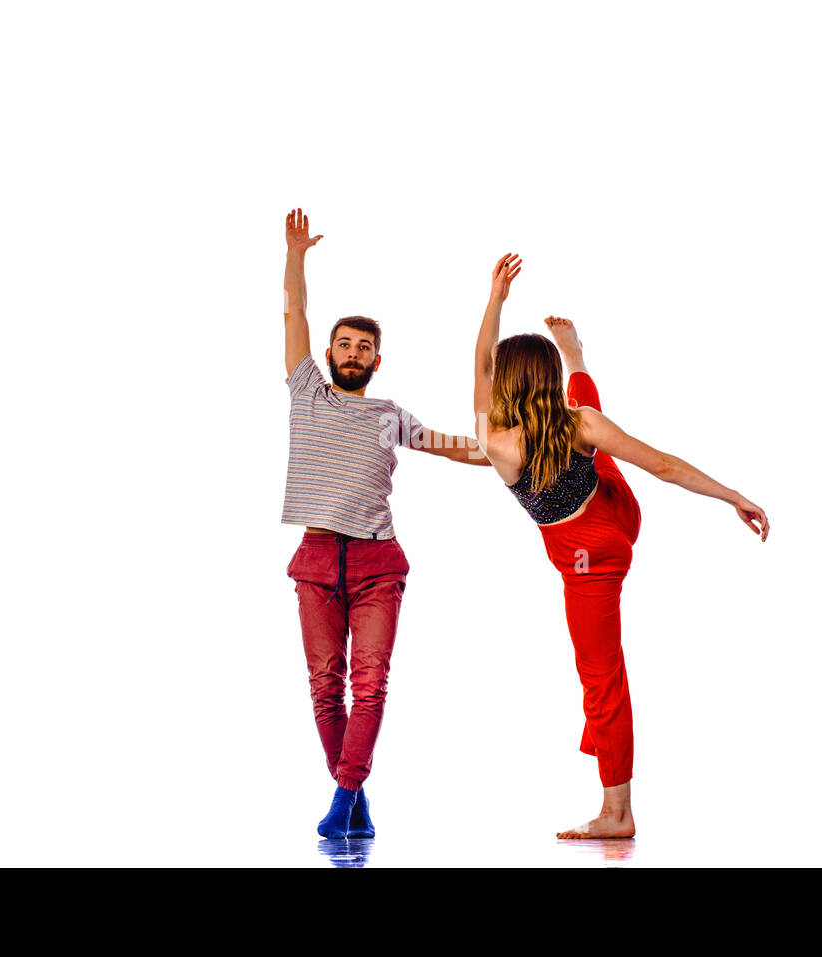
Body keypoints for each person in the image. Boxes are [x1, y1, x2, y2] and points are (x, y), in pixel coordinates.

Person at [472, 252, 770, 839]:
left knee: (601, 675)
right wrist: (732, 494)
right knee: (596, 435)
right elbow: (660, 464)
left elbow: (478, 363)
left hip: (591, 561)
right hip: (620, 511)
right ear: (547, 380)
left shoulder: (495, 442)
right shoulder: (577, 421)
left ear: (504, 383)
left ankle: (618, 812)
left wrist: (494, 300)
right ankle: (576, 354)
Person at [281, 208, 492, 840]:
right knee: (326, 687)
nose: (352, 353)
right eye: (343, 344)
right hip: (317, 559)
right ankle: (353, 792)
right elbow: (293, 315)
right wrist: (296, 256)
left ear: (377, 359)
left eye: (363, 347)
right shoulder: (307, 393)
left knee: (370, 683)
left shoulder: (388, 414)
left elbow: (457, 447)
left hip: (377, 562)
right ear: (328, 354)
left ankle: (344, 797)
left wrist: (509, 450)